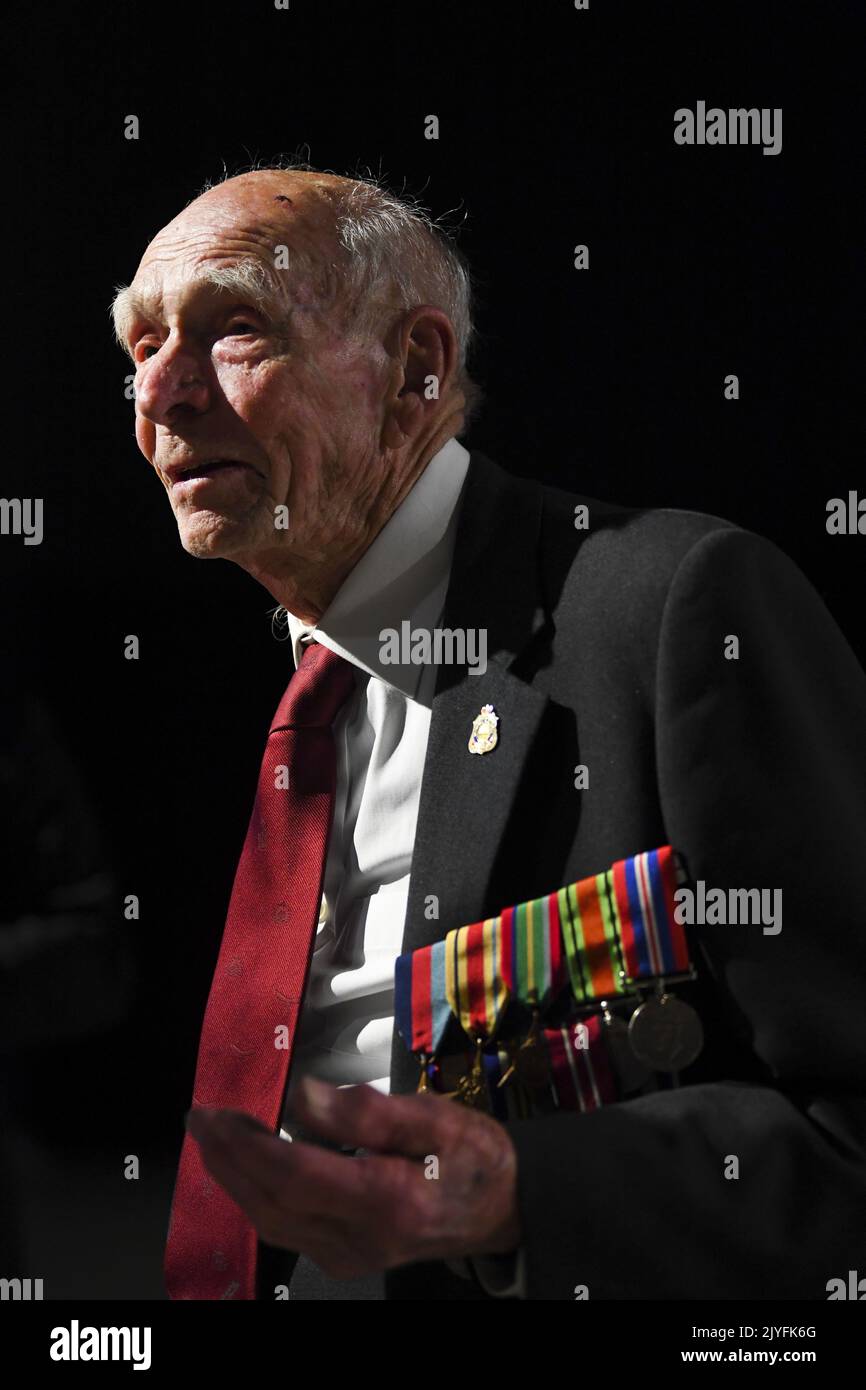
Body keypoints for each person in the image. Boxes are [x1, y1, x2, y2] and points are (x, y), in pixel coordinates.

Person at [110, 164, 866, 1301]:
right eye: (138, 346)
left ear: (417, 368)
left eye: (235, 329)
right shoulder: (230, 695)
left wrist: (525, 1194)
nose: (160, 393)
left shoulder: (672, 610)